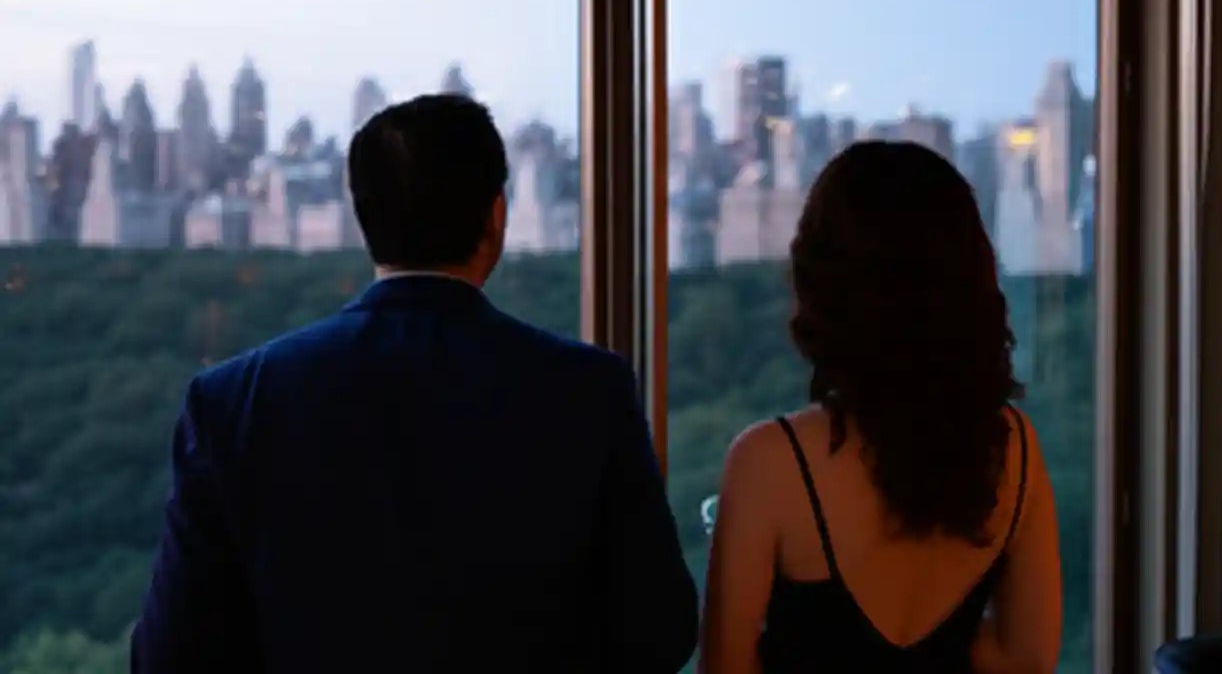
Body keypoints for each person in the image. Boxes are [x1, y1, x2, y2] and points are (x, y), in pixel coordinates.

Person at [132, 94, 698, 673]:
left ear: (365, 219)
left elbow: (169, 658)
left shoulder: (234, 401)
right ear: (496, 217)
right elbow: (660, 631)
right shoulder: (587, 392)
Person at [701, 142, 1062, 673]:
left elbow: (725, 669)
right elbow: (1026, 659)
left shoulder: (769, 462)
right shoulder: (1013, 446)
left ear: (820, 284)